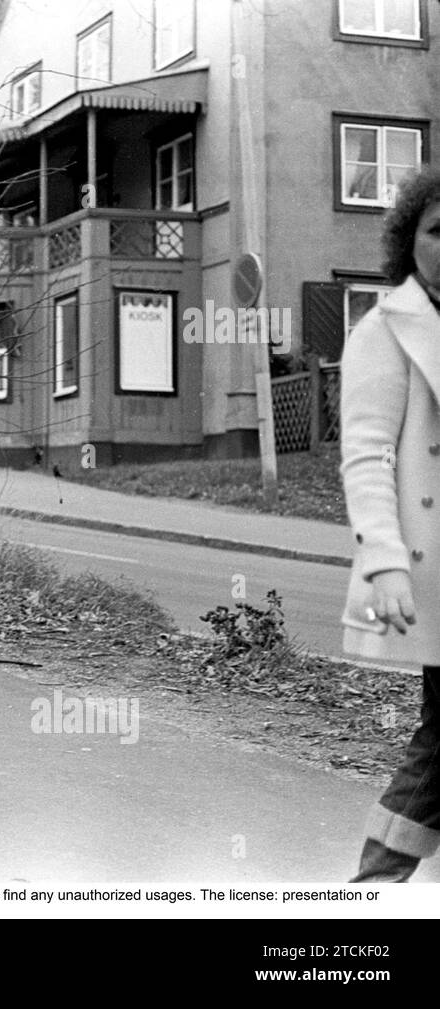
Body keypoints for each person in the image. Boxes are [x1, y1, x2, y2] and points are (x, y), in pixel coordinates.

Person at [341, 164, 440, 881]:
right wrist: (385, 557)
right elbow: (367, 455)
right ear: (411, 242)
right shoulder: (386, 329)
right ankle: (373, 889)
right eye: (439, 232)